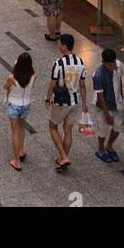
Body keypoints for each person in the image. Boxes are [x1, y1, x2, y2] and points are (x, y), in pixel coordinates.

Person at [44, 33, 87, 172]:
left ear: (64, 46)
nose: (58, 45)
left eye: (59, 43)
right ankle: (62, 160)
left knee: (53, 126)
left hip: (61, 102)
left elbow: (52, 84)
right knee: (68, 130)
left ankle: (63, 156)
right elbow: (82, 85)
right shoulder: (81, 62)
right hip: (75, 101)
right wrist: (84, 103)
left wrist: (48, 98)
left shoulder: (58, 64)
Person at [92, 47, 124, 163]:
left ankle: (109, 145)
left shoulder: (118, 65)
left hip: (117, 102)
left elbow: (120, 80)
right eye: (109, 65)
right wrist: (107, 114)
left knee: (118, 127)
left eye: (113, 64)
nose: (112, 67)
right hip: (103, 106)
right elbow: (100, 97)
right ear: (103, 62)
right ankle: (101, 149)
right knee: (103, 130)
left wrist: (121, 97)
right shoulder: (98, 75)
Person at [4, 52, 35, 171]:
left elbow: (5, 87)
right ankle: (21, 151)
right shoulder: (33, 76)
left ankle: (17, 161)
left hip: (14, 105)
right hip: (26, 105)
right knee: (22, 128)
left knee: (15, 133)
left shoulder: (12, 78)